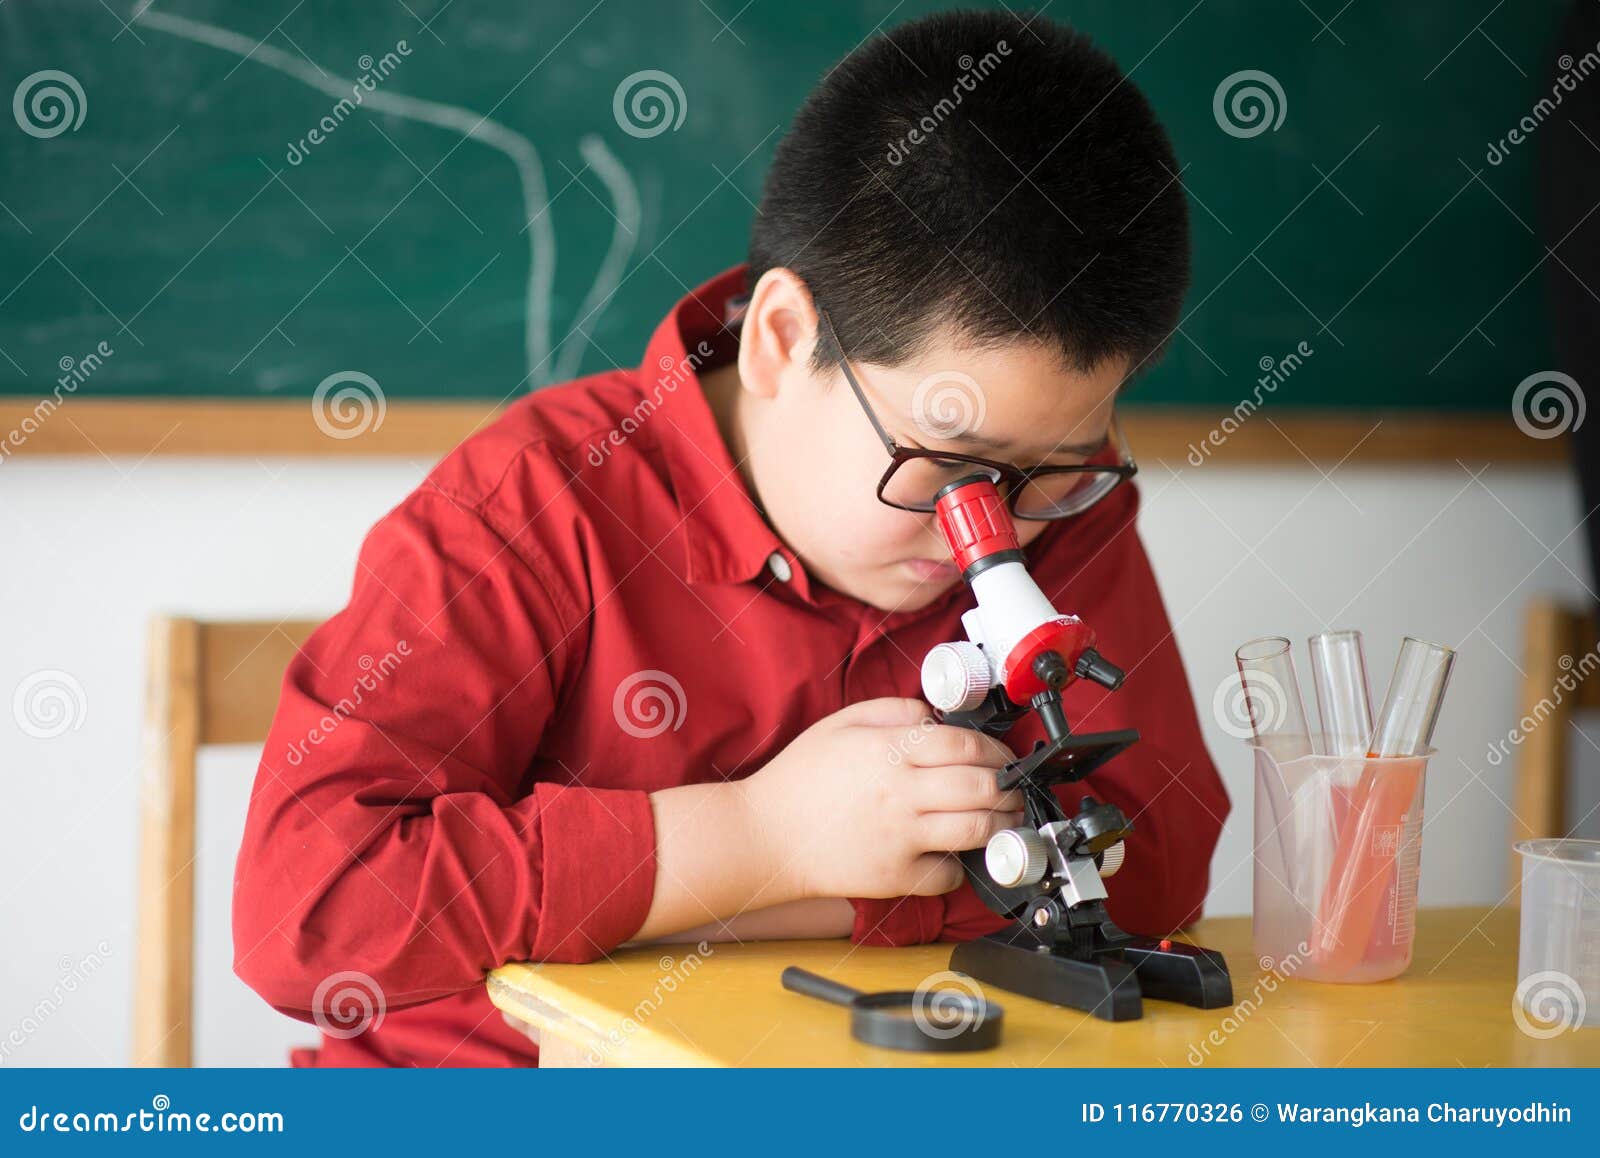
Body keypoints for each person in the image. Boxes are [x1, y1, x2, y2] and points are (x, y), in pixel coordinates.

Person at [234, 9, 1229, 1066]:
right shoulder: (530, 506)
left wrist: (757, 888)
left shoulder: (1054, 496)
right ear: (781, 339)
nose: (996, 534)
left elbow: (1154, 855)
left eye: (1055, 473)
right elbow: (307, 911)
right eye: (945, 469)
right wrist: (756, 841)